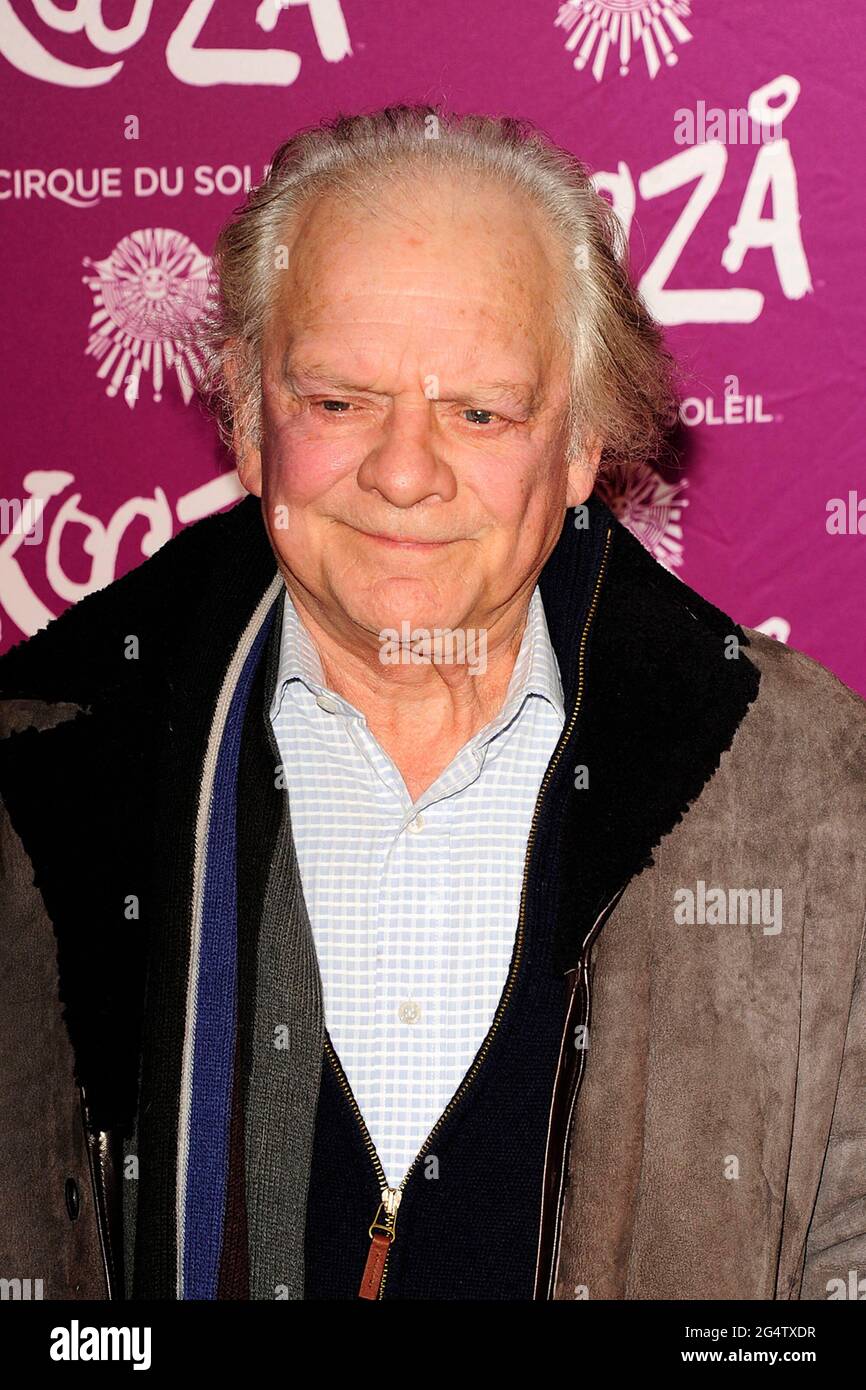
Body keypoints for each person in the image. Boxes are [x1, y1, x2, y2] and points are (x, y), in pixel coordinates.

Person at [1, 105, 864, 1302]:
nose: (403, 474)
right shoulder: (39, 770)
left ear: (580, 444)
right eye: (339, 402)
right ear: (250, 418)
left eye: (478, 412)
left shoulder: (806, 785)